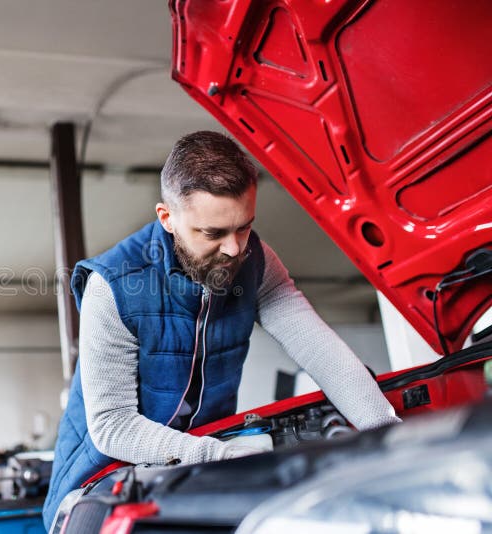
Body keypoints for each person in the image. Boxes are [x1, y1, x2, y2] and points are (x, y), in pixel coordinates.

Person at [43, 131, 399, 529]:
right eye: (213, 234)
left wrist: (391, 439)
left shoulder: (256, 262)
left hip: (197, 467)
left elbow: (321, 352)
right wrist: (219, 457)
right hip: (98, 487)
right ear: (167, 219)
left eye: (244, 227)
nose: (233, 249)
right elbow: (113, 426)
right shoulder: (112, 286)